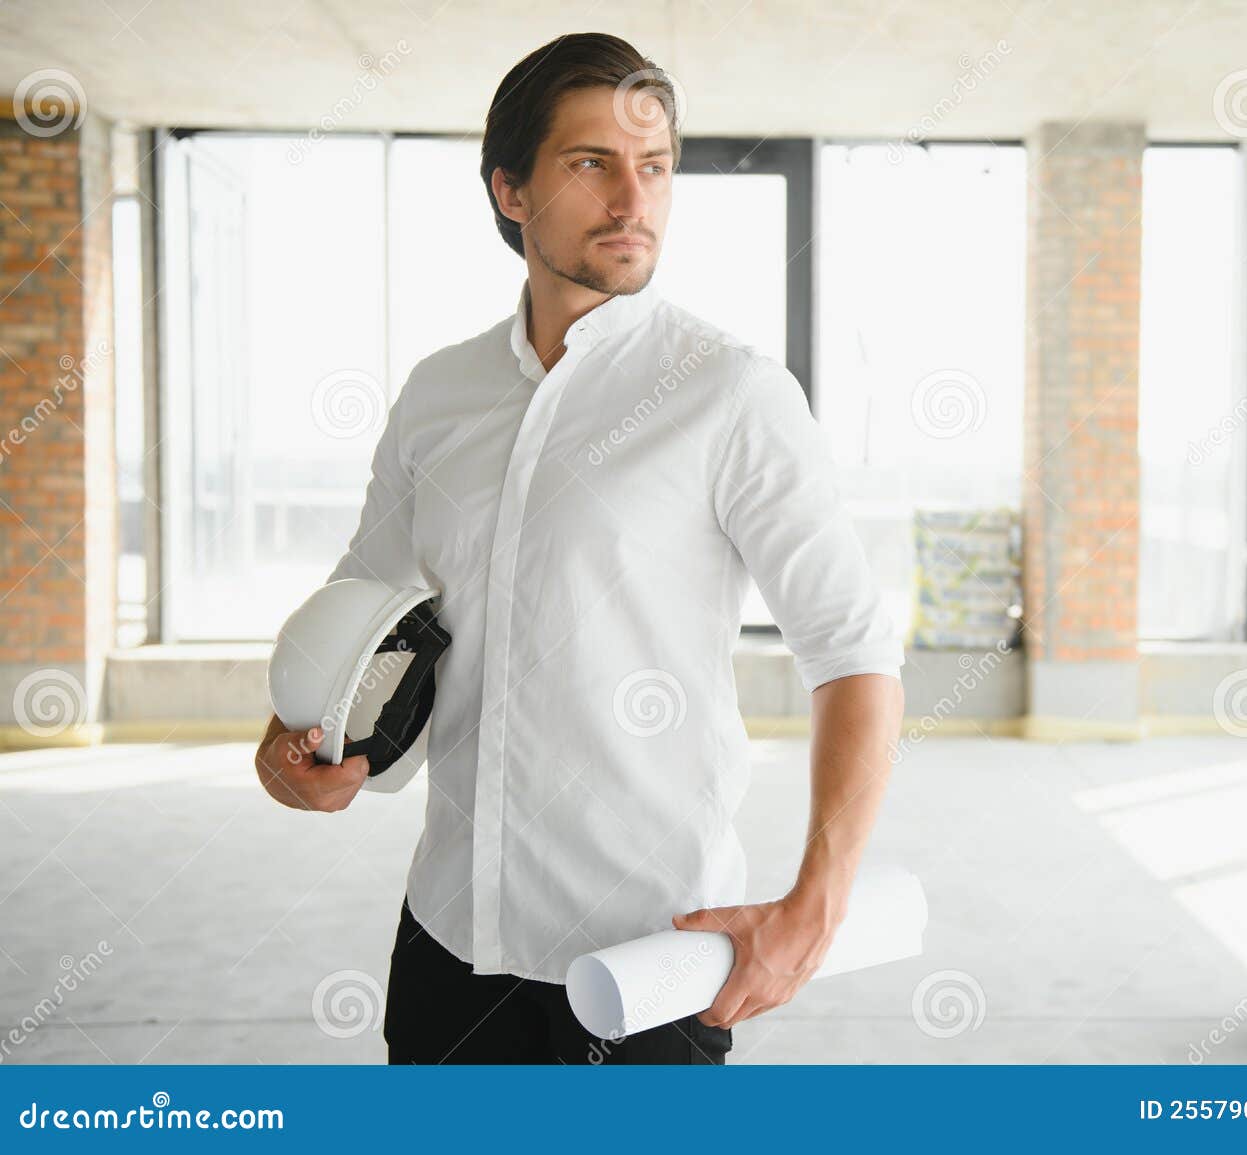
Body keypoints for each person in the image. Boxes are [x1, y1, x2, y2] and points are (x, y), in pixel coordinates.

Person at [254, 31, 905, 1065]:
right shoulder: (438, 393)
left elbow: (853, 650)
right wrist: (299, 741)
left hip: (645, 961)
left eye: (654, 168)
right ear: (511, 190)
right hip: (448, 941)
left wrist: (812, 907)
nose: (632, 199)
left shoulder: (730, 393)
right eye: (591, 162)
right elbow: (366, 595)